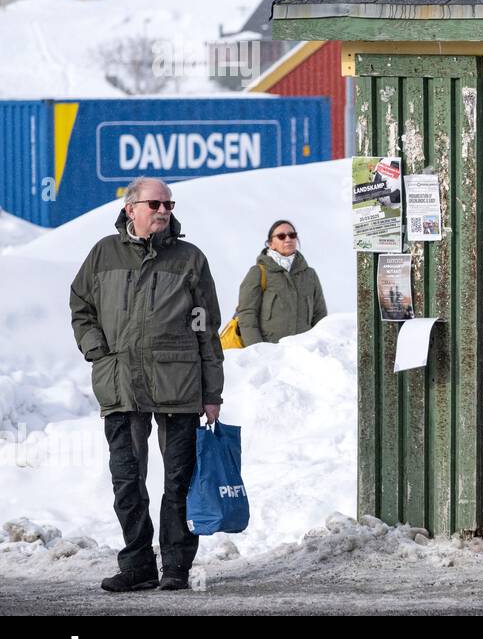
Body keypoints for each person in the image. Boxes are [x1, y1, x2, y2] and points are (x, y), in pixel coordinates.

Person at [68, 177, 224, 592]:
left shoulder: (190, 258)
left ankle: (175, 565)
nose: (163, 210)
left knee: (178, 481)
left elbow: (207, 329)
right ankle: (137, 565)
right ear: (130, 208)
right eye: (155, 203)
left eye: (169, 204)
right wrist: (98, 352)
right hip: (121, 385)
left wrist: (212, 394)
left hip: (180, 386)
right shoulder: (104, 253)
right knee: (127, 480)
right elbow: (80, 306)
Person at [234, 220, 327, 345]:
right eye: (281, 236)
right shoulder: (258, 272)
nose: (288, 239)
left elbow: (320, 316)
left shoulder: (310, 275)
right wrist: (258, 351)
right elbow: (247, 315)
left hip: (304, 355)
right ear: (271, 244)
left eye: (292, 235)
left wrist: (317, 348)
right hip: (271, 355)